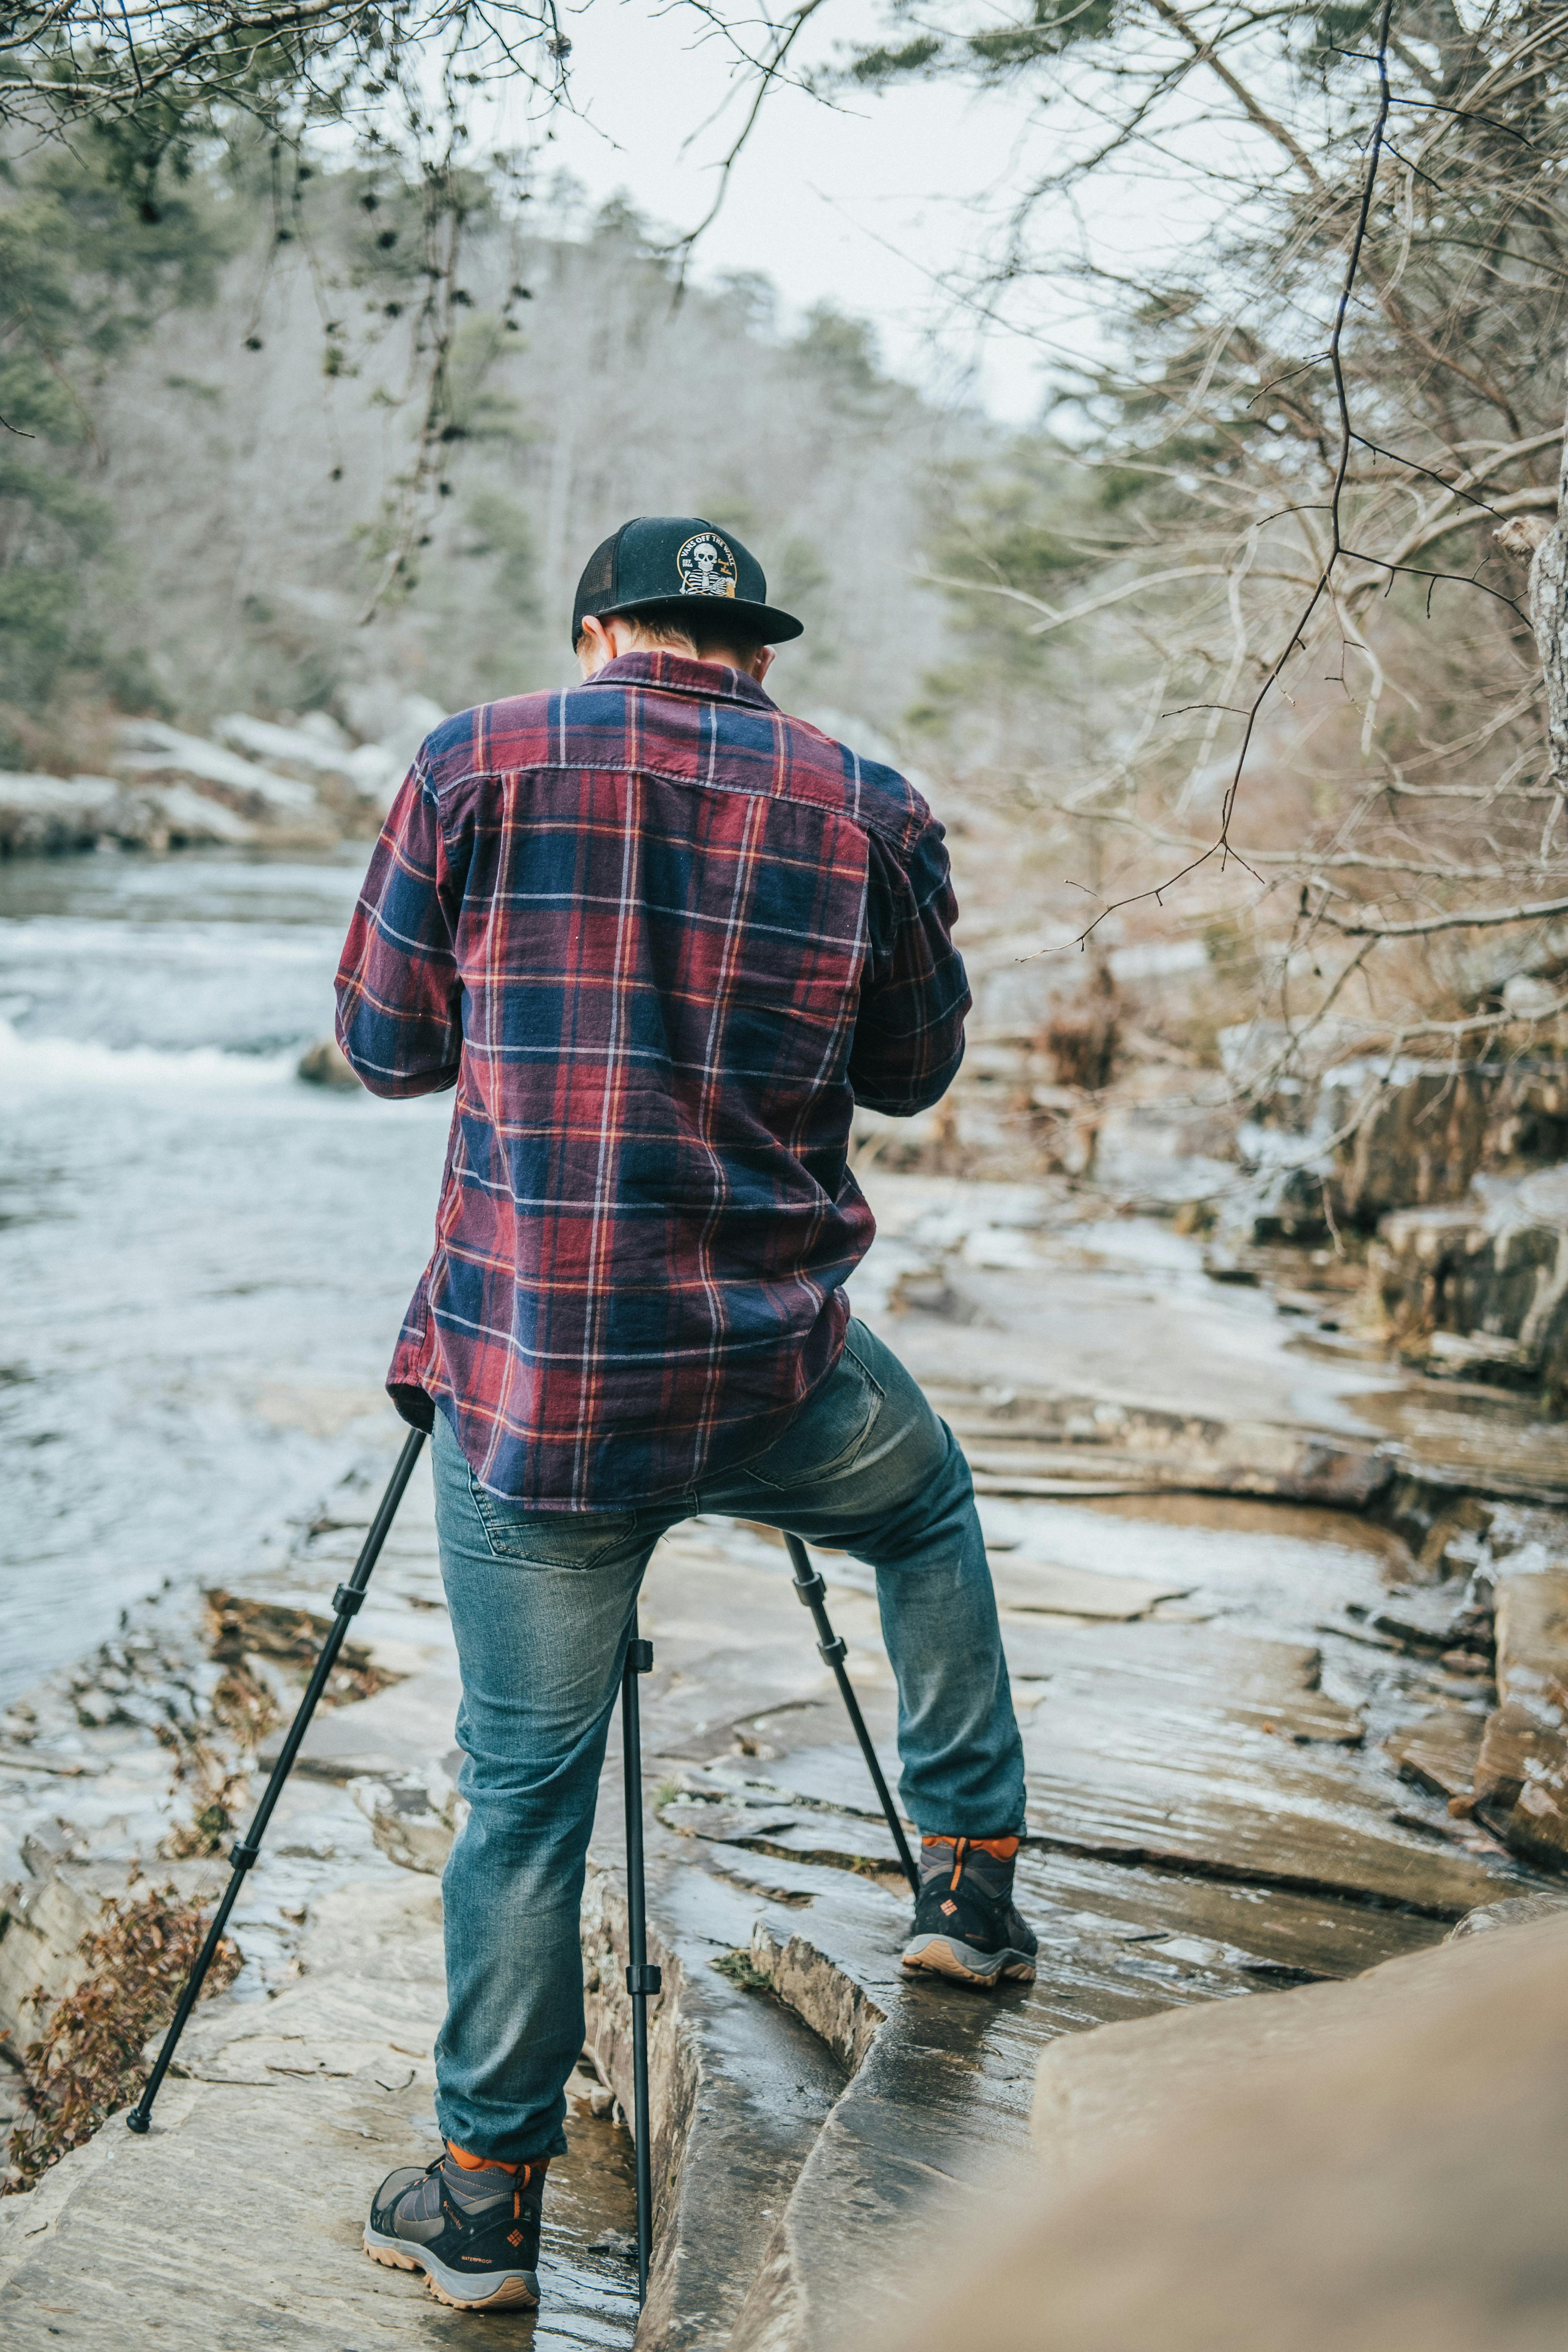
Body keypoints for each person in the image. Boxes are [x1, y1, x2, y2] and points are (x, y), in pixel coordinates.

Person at [335, 515, 1034, 2314]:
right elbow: (914, 1066)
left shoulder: (476, 756)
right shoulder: (863, 801)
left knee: (522, 1785)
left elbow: (385, 1042)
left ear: (597, 635)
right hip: (772, 1361)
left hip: (537, 1380)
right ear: (756, 657)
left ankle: (486, 2196)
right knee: (926, 1511)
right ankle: (966, 1882)